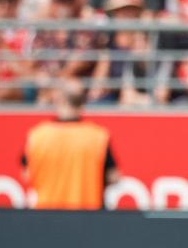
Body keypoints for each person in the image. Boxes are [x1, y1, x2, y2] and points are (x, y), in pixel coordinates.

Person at [23, 78, 119, 210]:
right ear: (82, 103)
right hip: (86, 216)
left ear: (58, 99)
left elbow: (27, 174)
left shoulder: (38, 135)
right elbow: (113, 176)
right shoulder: (97, 136)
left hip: (46, 215)